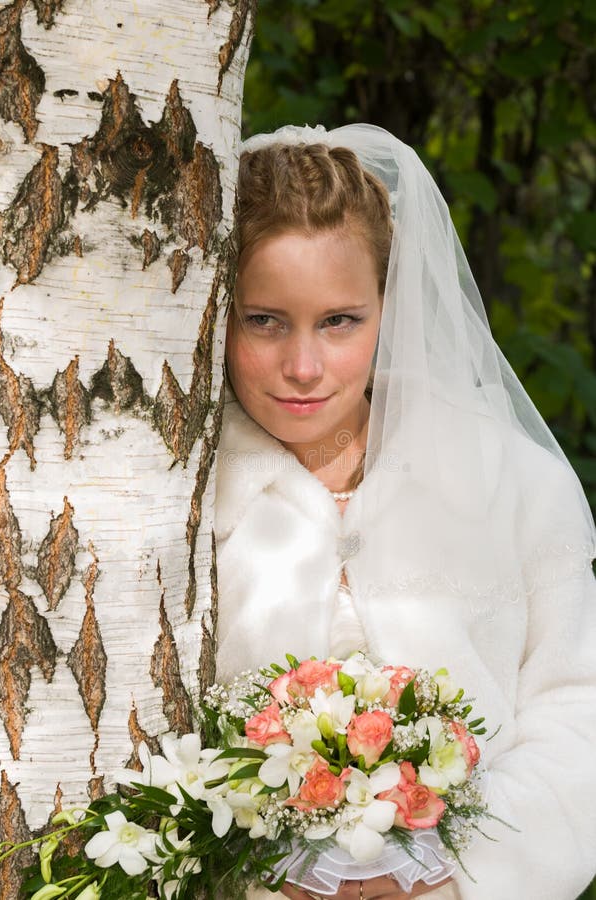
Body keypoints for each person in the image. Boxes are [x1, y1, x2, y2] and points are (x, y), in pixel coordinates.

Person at [213, 123, 596, 900]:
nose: (303, 366)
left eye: (339, 320)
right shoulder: (165, 503)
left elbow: (576, 705)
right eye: (264, 320)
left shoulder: (513, 485)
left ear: (391, 308)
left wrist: (452, 873)